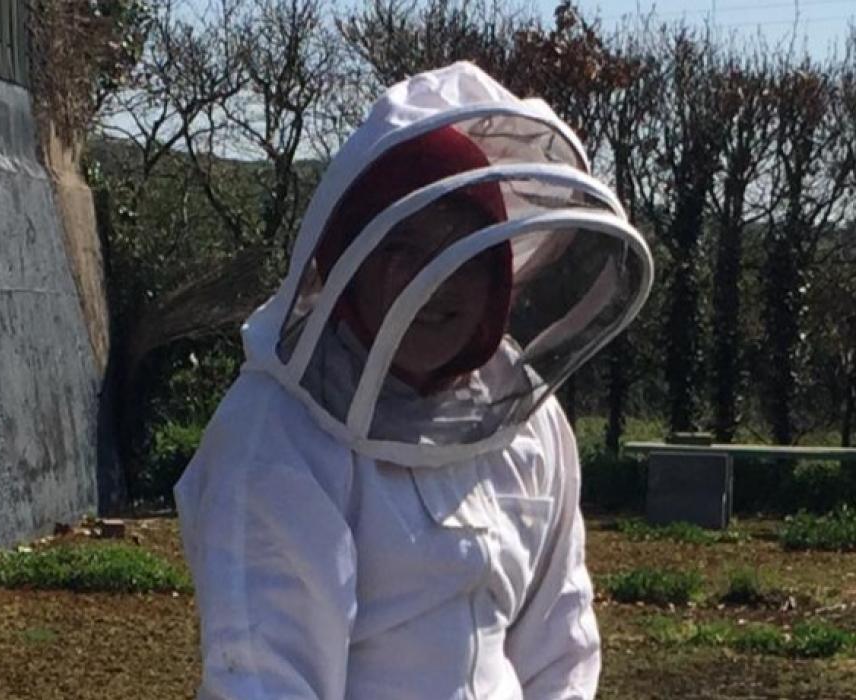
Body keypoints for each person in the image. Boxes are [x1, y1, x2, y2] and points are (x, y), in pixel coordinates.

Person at [174, 61, 653, 700]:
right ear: (352, 261)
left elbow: (561, 642)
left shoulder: (529, 424)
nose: (439, 282)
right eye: (407, 250)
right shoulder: (278, 432)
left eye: (466, 252)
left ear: (499, 272)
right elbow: (265, 676)